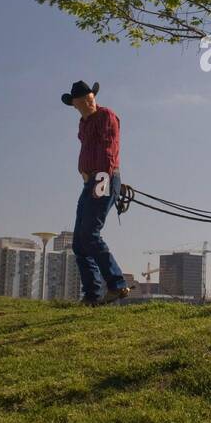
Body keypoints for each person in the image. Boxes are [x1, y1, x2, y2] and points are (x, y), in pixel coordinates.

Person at [61, 80, 131, 306]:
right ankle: (91, 294)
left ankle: (117, 283)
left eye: (90, 97)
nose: (88, 101)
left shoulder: (106, 116)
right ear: (76, 104)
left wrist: (103, 181)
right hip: (91, 181)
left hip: (103, 177)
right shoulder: (83, 123)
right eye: (83, 100)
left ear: (92, 98)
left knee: (90, 234)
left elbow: (108, 150)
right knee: (80, 242)